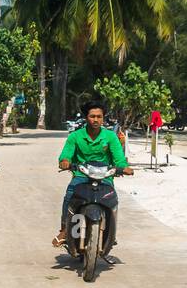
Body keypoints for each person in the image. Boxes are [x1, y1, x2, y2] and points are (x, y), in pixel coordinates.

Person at [53, 100, 133, 247]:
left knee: (112, 200)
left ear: (103, 118)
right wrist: (65, 161)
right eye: (92, 116)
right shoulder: (75, 136)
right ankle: (65, 229)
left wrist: (124, 167)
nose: (96, 120)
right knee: (70, 194)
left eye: (99, 116)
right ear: (86, 118)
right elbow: (65, 155)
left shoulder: (110, 137)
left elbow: (119, 158)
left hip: (105, 178)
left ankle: (110, 232)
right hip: (81, 177)